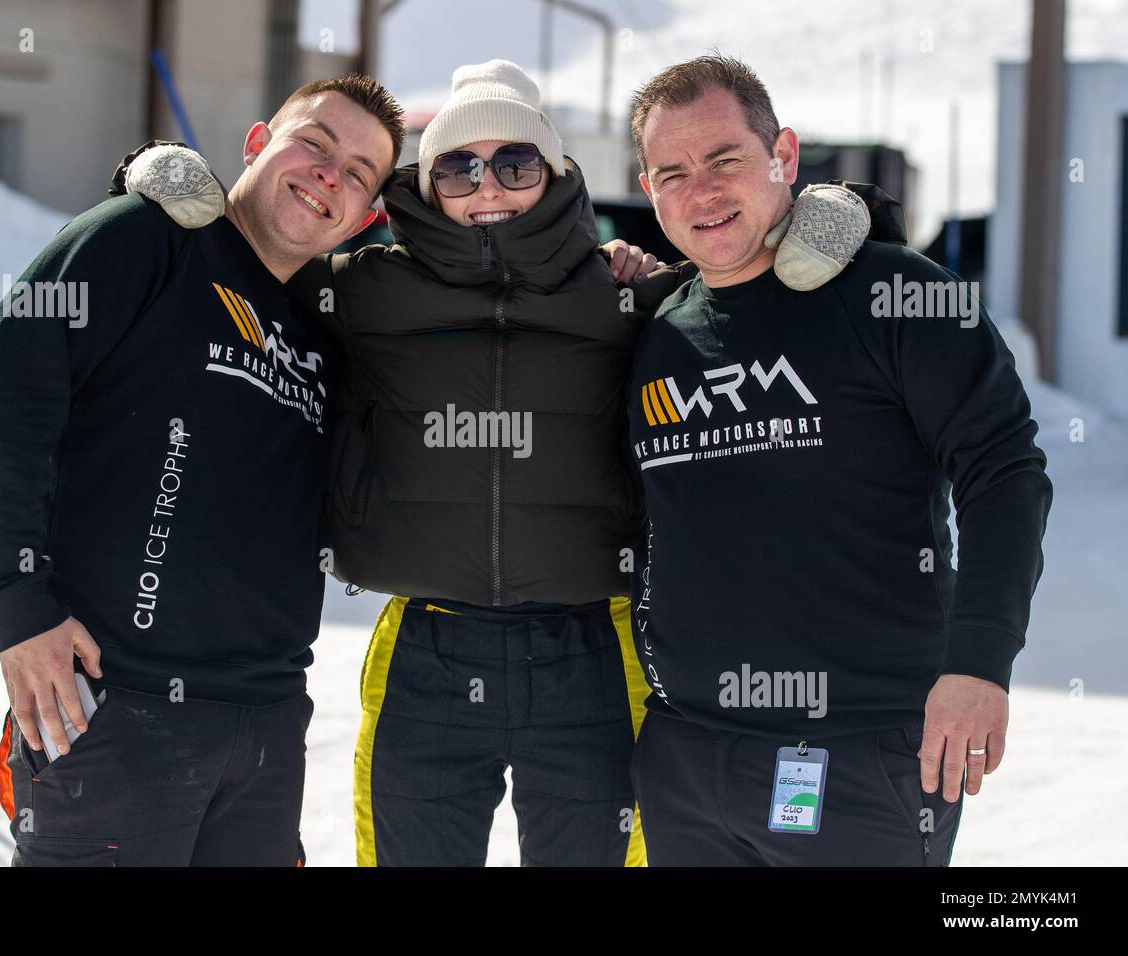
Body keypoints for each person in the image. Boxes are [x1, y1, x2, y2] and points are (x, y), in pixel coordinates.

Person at [123, 59, 877, 866]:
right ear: (428, 179)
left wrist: (837, 212)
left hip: (592, 649)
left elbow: (750, 286)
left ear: (551, 172)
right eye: (458, 165)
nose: (487, 186)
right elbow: (250, 242)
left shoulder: (630, 295)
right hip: (427, 647)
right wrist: (148, 174)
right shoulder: (358, 288)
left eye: (515, 163)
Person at [0, 75, 403, 866]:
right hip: (115, 707)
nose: (331, 174)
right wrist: (15, 608)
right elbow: (3, 393)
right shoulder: (150, 238)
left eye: (359, 173)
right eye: (316, 144)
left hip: (263, 724)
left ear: (364, 218)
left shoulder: (327, 329)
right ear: (257, 144)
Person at [625, 54, 1053, 865]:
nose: (701, 192)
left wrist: (980, 664)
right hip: (685, 754)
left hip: (866, 753)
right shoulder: (656, 332)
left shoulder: (897, 297)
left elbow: (1004, 474)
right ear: (648, 189)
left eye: (726, 160)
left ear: (782, 154)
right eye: (671, 172)